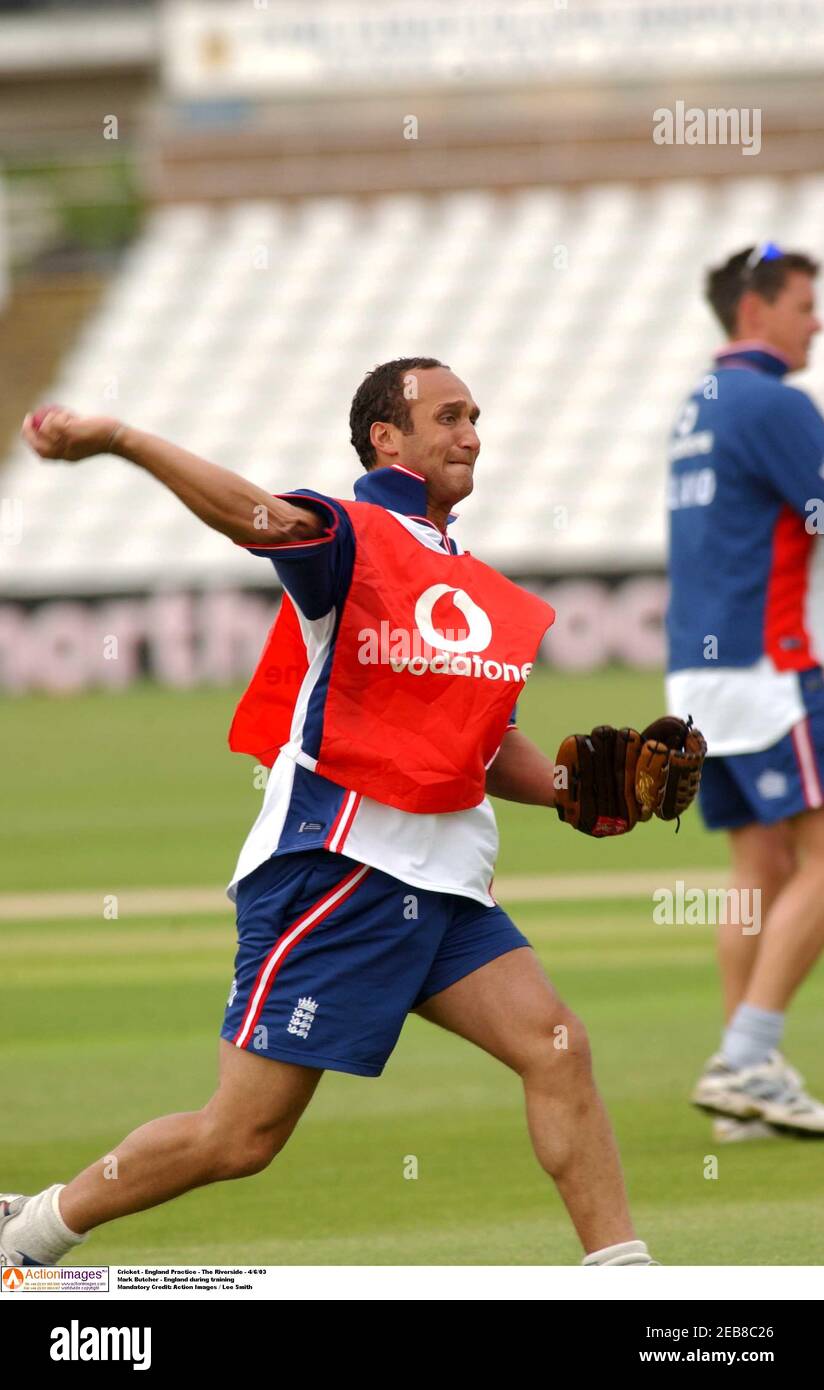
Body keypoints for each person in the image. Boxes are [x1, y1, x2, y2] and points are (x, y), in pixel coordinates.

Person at [3, 358, 658, 1267]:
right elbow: (258, 518)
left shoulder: (477, 586)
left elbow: (487, 744)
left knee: (557, 1048)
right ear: (387, 438)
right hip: (341, 870)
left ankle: (624, 1277)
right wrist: (120, 438)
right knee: (241, 1137)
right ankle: (28, 1235)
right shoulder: (352, 538)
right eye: (448, 416)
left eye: (475, 416)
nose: (472, 434)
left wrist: (572, 788)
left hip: (446, 882)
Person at [666, 246, 824, 1136]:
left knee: (757, 872)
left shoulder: (702, 403)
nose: (817, 321)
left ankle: (742, 1091)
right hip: (771, 665)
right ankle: (749, 1059)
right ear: (755, 310)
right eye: (804, 303)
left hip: (700, 674)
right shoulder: (774, 402)